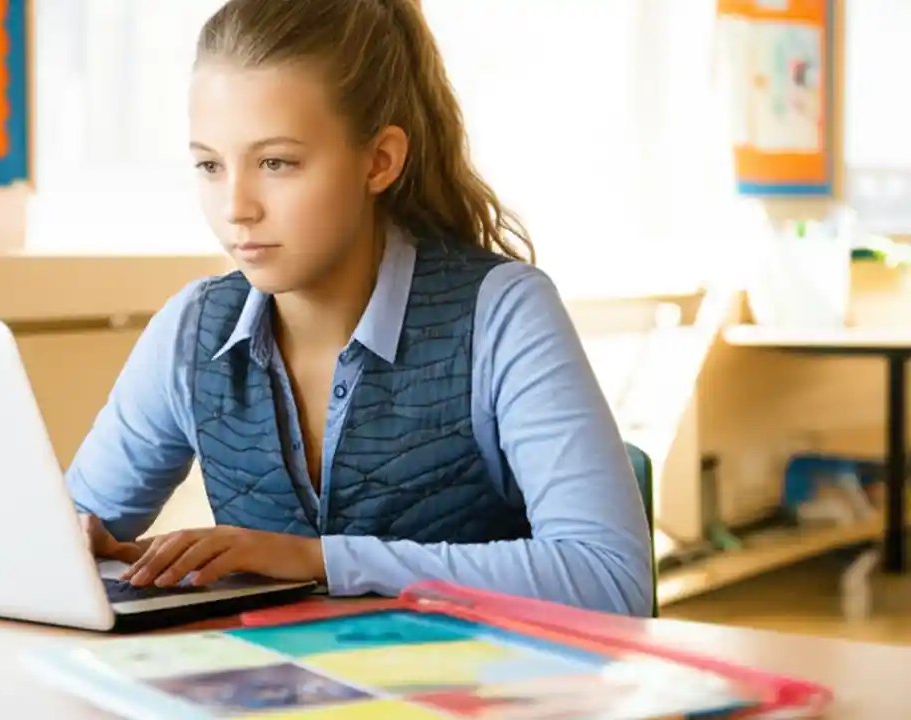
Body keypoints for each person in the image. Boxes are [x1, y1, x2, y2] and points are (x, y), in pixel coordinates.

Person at [67, 0, 653, 617]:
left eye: (276, 163)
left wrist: (318, 560)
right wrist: (79, 548)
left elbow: (611, 580)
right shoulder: (192, 330)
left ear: (379, 161)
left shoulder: (505, 312)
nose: (236, 206)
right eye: (210, 165)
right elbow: (64, 537)